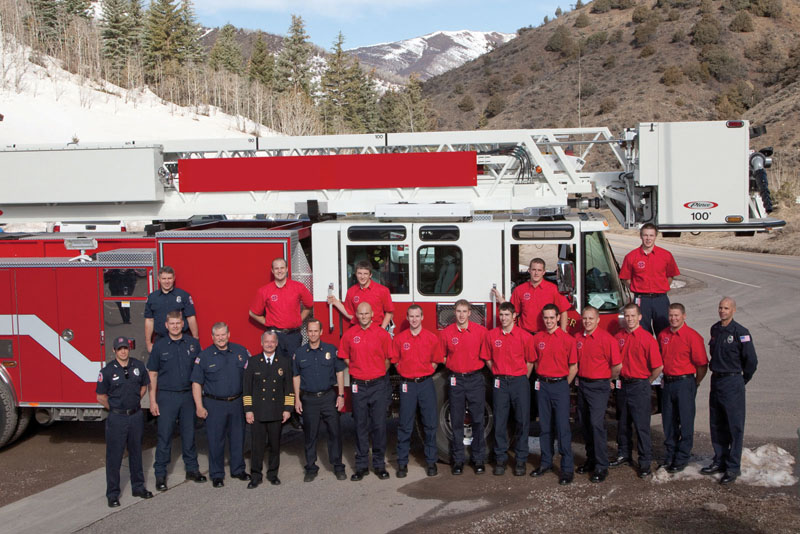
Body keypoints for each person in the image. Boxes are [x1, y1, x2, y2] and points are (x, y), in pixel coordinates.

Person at [147, 311, 206, 491]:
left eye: (177, 323)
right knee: (164, 436)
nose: (174, 326)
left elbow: (199, 372)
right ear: (166, 325)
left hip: (187, 395)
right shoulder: (159, 346)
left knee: (189, 435)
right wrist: (152, 400)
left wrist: (199, 401)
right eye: (171, 323)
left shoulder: (193, 344)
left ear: (183, 324)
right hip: (167, 396)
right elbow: (153, 373)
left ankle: (192, 469)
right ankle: (160, 474)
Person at [701, 297, 758, 485]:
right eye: (720, 308)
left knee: (734, 426)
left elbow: (751, 361)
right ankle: (719, 460)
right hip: (716, 380)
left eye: (726, 308)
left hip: (733, 381)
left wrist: (742, 380)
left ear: (733, 310)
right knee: (717, 424)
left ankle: (733, 467)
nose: (722, 311)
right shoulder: (715, 329)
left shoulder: (741, 332)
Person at [191, 322, 251, 487]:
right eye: (217, 335)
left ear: (228, 334)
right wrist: (199, 406)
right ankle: (217, 474)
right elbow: (196, 383)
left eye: (223, 334)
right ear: (212, 337)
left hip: (237, 402)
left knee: (238, 438)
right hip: (214, 404)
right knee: (215, 440)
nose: (220, 338)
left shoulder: (241, 352)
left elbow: (250, 378)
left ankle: (238, 469)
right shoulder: (204, 356)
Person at [338, 302, 392, 481]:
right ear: (356, 315)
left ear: (372, 314)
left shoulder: (382, 334)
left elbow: (388, 359)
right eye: (360, 314)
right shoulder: (349, 334)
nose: (363, 316)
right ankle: (361, 466)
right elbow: (344, 356)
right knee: (360, 426)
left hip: (378, 385)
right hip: (358, 386)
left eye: (366, 313)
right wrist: (356, 368)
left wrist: (377, 373)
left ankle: (379, 465)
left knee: (379, 426)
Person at [96, 336, 152, 508]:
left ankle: (138, 487)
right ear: (114, 351)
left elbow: (144, 386)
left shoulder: (138, 366)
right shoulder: (106, 372)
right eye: (120, 348)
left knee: (136, 452)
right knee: (114, 456)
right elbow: (101, 397)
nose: (123, 351)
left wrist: (134, 402)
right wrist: (115, 408)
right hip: (117, 418)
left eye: (125, 348)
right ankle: (112, 493)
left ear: (129, 349)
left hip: (135, 416)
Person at [610, 303, 663, 478]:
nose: (630, 319)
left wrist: (647, 381)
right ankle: (623, 453)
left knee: (641, 426)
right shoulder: (618, 337)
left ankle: (644, 461)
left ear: (640, 317)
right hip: (623, 385)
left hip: (640, 385)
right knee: (623, 423)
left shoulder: (648, 339)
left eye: (633, 316)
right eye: (627, 316)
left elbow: (658, 367)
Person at [391, 305, 444, 478]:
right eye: (411, 316)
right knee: (405, 425)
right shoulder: (399, 339)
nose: (414, 319)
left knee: (430, 424)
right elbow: (395, 361)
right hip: (408, 385)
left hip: (425, 384)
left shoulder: (431, 338)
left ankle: (431, 462)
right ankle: (402, 463)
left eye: (417, 316)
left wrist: (427, 371)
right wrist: (404, 372)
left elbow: (436, 360)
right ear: (407, 317)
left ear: (422, 318)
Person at [484, 302, 536, 477]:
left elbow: (530, 361)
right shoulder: (491, 335)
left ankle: (521, 460)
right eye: (502, 314)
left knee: (522, 421)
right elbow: (487, 359)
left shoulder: (525, 336)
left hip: (519, 382)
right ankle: (500, 459)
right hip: (500, 382)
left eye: (507, 314)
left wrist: (522, 378)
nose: (504, 318)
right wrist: (498, 374)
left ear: (514, 316)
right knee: (499, 421)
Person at [439, 299, 490, 475]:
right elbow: (443, 357)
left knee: (477, 420)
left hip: (475, 379)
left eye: (464, 311)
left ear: (470, 313)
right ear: (455, 312)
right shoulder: (446, 333)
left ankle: (478, 459)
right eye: (458, 311)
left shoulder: (481, 332)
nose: (461, 315)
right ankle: (458, 460)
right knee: (457, 421)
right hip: (456, 381)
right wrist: (455, 366)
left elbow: (485, 356)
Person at [293, 319, 347, 482]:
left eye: (316, 331)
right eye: (310, 331)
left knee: (334, 433)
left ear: (321, 332)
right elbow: (296, 377)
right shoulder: (300, 353)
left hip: (328, 397)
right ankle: (311, 468)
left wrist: (341, 395)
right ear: (306, 333)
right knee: (310, 435)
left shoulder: (331, 350)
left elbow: (339, 373)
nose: (313, 334)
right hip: (309, 399)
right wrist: (297, 399)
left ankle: (338, 466)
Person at [530, 304, 578, 485]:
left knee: (562, 428)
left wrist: (563, 384)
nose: (549, 321)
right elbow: (535, 363)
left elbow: (573, 367)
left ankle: (566, 469)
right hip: (543, 386)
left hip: (560, 386)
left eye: (552, 317)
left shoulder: (568, 340)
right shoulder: (538, 338)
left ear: (558, 318)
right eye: (546, 318)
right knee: (544, 427)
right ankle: (546, 463)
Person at [657, 303, 708, 473]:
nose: (673, 318)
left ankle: (682, 457)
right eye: (671, 315)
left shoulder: (692, 336)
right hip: (668, 383)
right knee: (669, 422)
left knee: (685, 422)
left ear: (684, 316)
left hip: (685, 383)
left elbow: (702, 365)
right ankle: (670, 455)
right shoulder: (663, 334)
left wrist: (695, 382)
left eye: (677, 315)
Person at [574, 306, 622, 483]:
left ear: (598, 320)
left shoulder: (607, 339)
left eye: (591, 319)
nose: (587, 322)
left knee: (596, 425)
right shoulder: (578, 338)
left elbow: (616, 366)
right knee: (585, 424)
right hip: (583, 385)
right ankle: (591, 459)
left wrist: (605, 379)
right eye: (585, 319)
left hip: (599, 387)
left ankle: (602, 466)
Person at [243, 330, 293, 488]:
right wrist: (248, 410)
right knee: (257, 446)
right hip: (258, 412)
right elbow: (247, 389)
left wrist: (287, 408)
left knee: (275, 445)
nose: (269, 344)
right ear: (261, 343)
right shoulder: (253, 362)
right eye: (266, 342)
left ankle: (273, 474)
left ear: (276, 343)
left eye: (272, 342)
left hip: (276, 411)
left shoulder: (284, 362)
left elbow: (289, 388)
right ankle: (255, 475)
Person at [619, 223, 680, 335]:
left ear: (655, 236)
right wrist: (636, 288)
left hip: (660, 299)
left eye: (651, 235)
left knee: (664, 332)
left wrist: (661, 287)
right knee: (641, 332)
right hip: (641, 300)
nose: (648, 239)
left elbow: (671, 275)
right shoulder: (631, 256)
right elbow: (625, 278)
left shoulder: (666, 255)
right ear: (641, 236)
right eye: (645, 235)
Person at [249, 257, 313, 359]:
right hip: (274, 336)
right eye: (277, 268)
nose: (280, 271)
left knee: (294, 368)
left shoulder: (298, 287)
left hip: (293, 336)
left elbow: (309, 305)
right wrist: (267, 322)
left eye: (282, 268)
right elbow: (253, 313)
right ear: (272, 270)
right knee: (275, 368)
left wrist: (298, 320)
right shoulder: (264, 291)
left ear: (287, 269)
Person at [492, 258, 571, 333]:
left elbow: (563, 311)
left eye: (539, 270)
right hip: (525, 334)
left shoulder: (553, 289)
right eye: (534, 270)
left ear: (544, 272)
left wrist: (562, 331)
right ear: (529, 270)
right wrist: (501, 300)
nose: (536, 273)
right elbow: (512, 312)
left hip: (546, 334)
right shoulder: (519, 290)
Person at [145, 266, 199, 353]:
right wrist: (148, 343)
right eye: (164, 278)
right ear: (159, 279)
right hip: (161, 340)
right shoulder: (152, 298)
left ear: (174, 278)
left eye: (169, 278)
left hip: (182, 341)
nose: (167, 281)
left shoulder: (183, 295)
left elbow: (191, 318)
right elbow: (149, 320)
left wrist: (195, 340)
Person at [328, 260, 394, 329]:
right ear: (356, 274)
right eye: (359, 273)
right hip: (358, 329)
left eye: (365, 274)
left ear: (370, 275)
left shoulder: (383, 290)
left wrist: (381, 330)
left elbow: (389, 312)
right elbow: (350, 313)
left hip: (377, 328)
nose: (362, 277)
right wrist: (335, 302)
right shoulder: (351, 291)